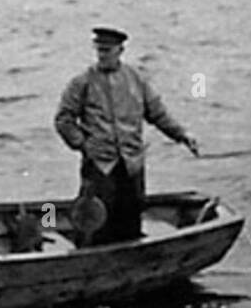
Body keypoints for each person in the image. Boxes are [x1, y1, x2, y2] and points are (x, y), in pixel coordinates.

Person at [54, 27, 198, 247]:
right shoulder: (81, 83)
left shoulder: (136, 80)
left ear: (120, 51)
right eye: (99, 50)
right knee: (94, 219)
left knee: (131, 216)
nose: (102, 55)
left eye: (107, 50)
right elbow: (64, 119)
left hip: (131, 164)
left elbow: (157, 113)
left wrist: (182, 135)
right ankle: (89, 257)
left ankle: (131, 257)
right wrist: (82, 144)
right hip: (100, 165)